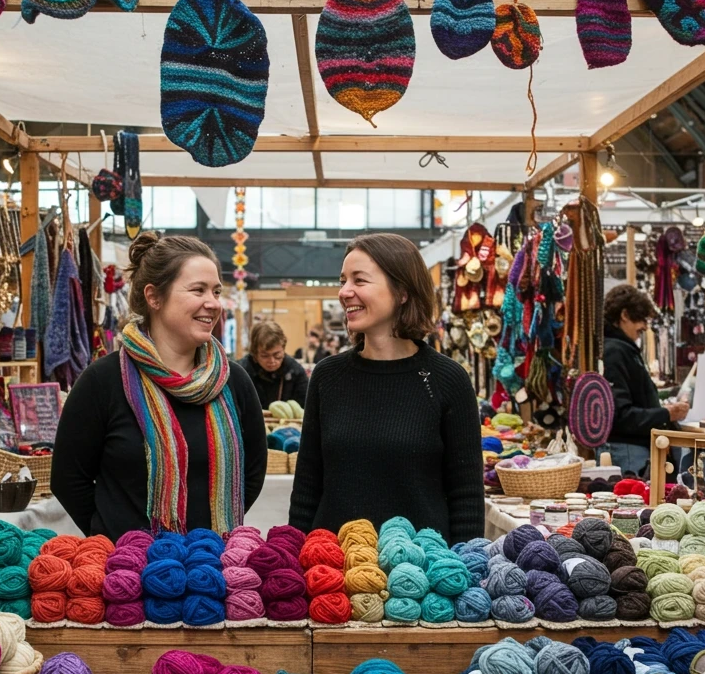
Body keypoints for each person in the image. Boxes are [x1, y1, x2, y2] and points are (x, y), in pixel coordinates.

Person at [52, 232, 267, 540]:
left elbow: (253, 472)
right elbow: (68, 478)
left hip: (212, 567)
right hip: (127, 571)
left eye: (216, 291)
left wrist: (208, 537)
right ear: (154, 297)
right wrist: (114, 535)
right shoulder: (104, 381)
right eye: (198, 290)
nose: (213, 303)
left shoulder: (233, 382)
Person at [289, 232, 484, 542]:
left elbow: (467, 496)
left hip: (421, 574)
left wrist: (463, 570)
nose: (344, 292)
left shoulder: (447, 380)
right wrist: (296, 560)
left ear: (402, 291)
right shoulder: (328, 377)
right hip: (334, 574)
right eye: (343, 281)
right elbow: (306, 490)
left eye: (359, 280)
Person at [601, 283, 689, 477]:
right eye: (641, 322)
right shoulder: (615, 352)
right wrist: (665, 414)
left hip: (631, 450)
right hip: (628, 452)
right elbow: (620, 416)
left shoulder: (622, 349)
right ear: (624, 315)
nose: (643, 328)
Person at [238, 321, 309, 411]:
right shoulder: (241, 372)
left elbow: (306, 408)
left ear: (283, 349)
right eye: (265, 356)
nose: (272, 361)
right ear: (255, 354)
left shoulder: (295, 371)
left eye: (277, 355)